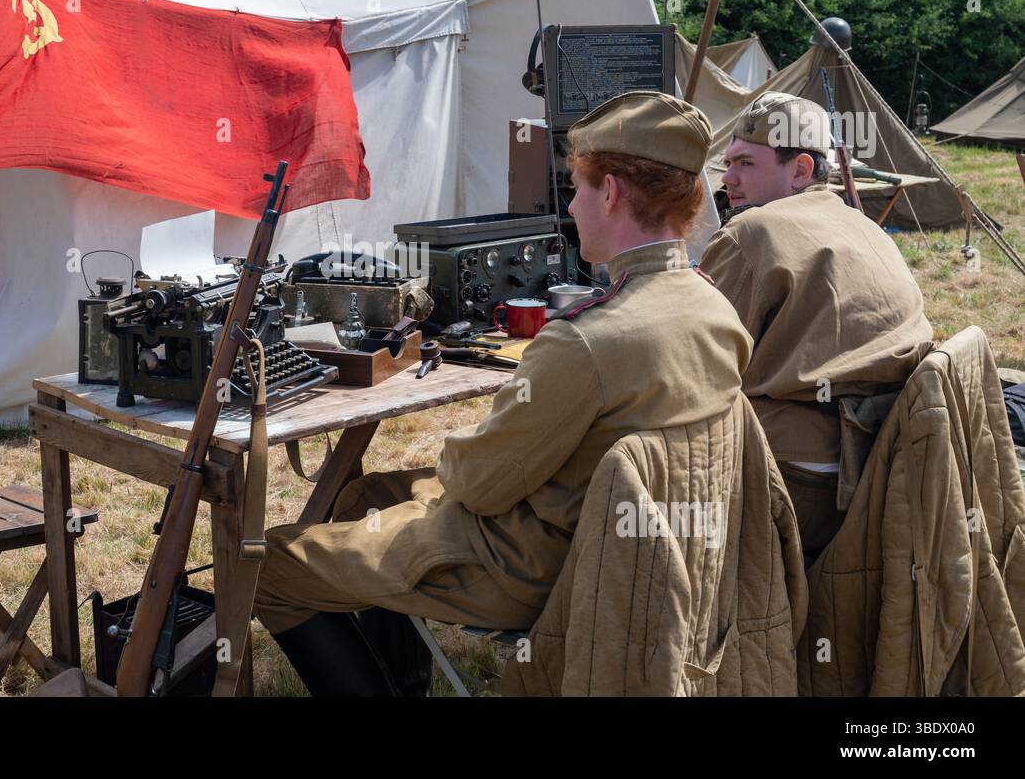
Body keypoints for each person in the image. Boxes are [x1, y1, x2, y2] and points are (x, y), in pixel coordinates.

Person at [253, 91, 753, 695]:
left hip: (542, 565)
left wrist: (461, 446)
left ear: (611, 192)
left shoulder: (587, 340)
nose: (572, 205)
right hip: (646, 552)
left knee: (268, 568)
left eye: (576, 189)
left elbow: (479, 484)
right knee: (364, 494)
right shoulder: (716, 310)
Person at [701, 91, 933, 561]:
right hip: (888, 468)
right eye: (728, 164)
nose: (727, 179)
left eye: (745, 163)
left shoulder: (751, 231)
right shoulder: (862, 225)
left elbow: (697, 367)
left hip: (799, 481)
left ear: (801, 169)